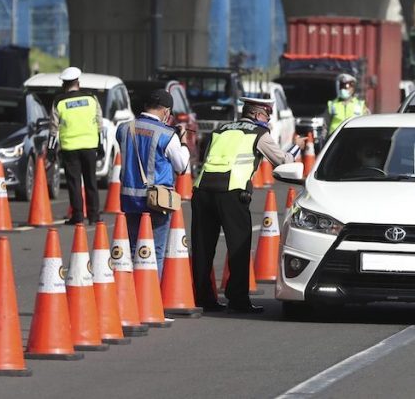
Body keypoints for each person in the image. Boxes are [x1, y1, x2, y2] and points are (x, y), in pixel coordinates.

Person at [191, 97, 304, 313]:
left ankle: (203, 299)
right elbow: (283, 161)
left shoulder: (221, 129)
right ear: (257, 114)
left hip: (202, 190)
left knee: (203, 248)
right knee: (239, 248)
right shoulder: (259, 134)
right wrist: (296, 147)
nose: (269, 119)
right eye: (267, 115)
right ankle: (238, 300)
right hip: (232, 191)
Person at [116, 89, 190, 274]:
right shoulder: (167, 134)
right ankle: (149, 296)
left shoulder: (124, 128)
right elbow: (181, 166)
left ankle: (132, 293)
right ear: (166, 111)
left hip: (129, 199)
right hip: (157, 201)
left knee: (134, 249)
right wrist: (184, 143)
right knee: (155, 251)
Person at [50, 67, 102, 225]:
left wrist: (51, 149)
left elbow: (54, 128)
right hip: (90, 146)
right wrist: (100, 144)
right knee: (91, 182)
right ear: (78, 82)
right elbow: (99, 123)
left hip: (70, 148)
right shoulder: (91, 98)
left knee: (74, 184)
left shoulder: (59, 101)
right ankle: (94, 216)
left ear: (64, 84)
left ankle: (78, 216)